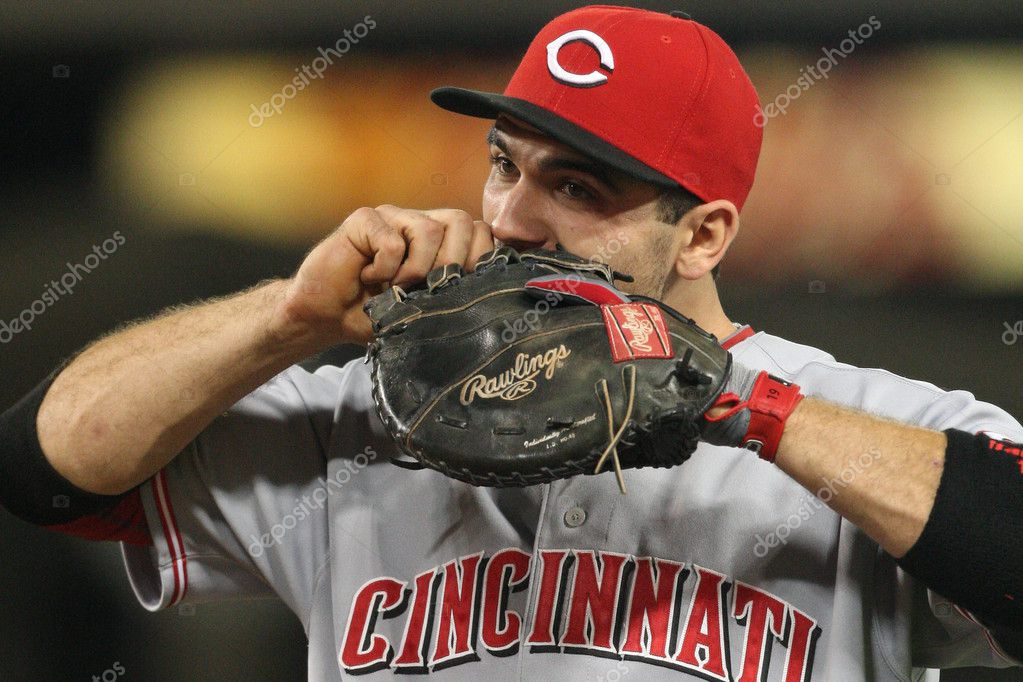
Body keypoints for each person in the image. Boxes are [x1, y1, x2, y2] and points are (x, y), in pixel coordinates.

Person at [2, 6, 1022, 680]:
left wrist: (741, 405)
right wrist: (288, 320)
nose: (516, 218)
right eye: (506, 166)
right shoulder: (376, 408)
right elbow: (47, 467)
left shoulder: (872, 423)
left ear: (704, 232)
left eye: (579, 187)